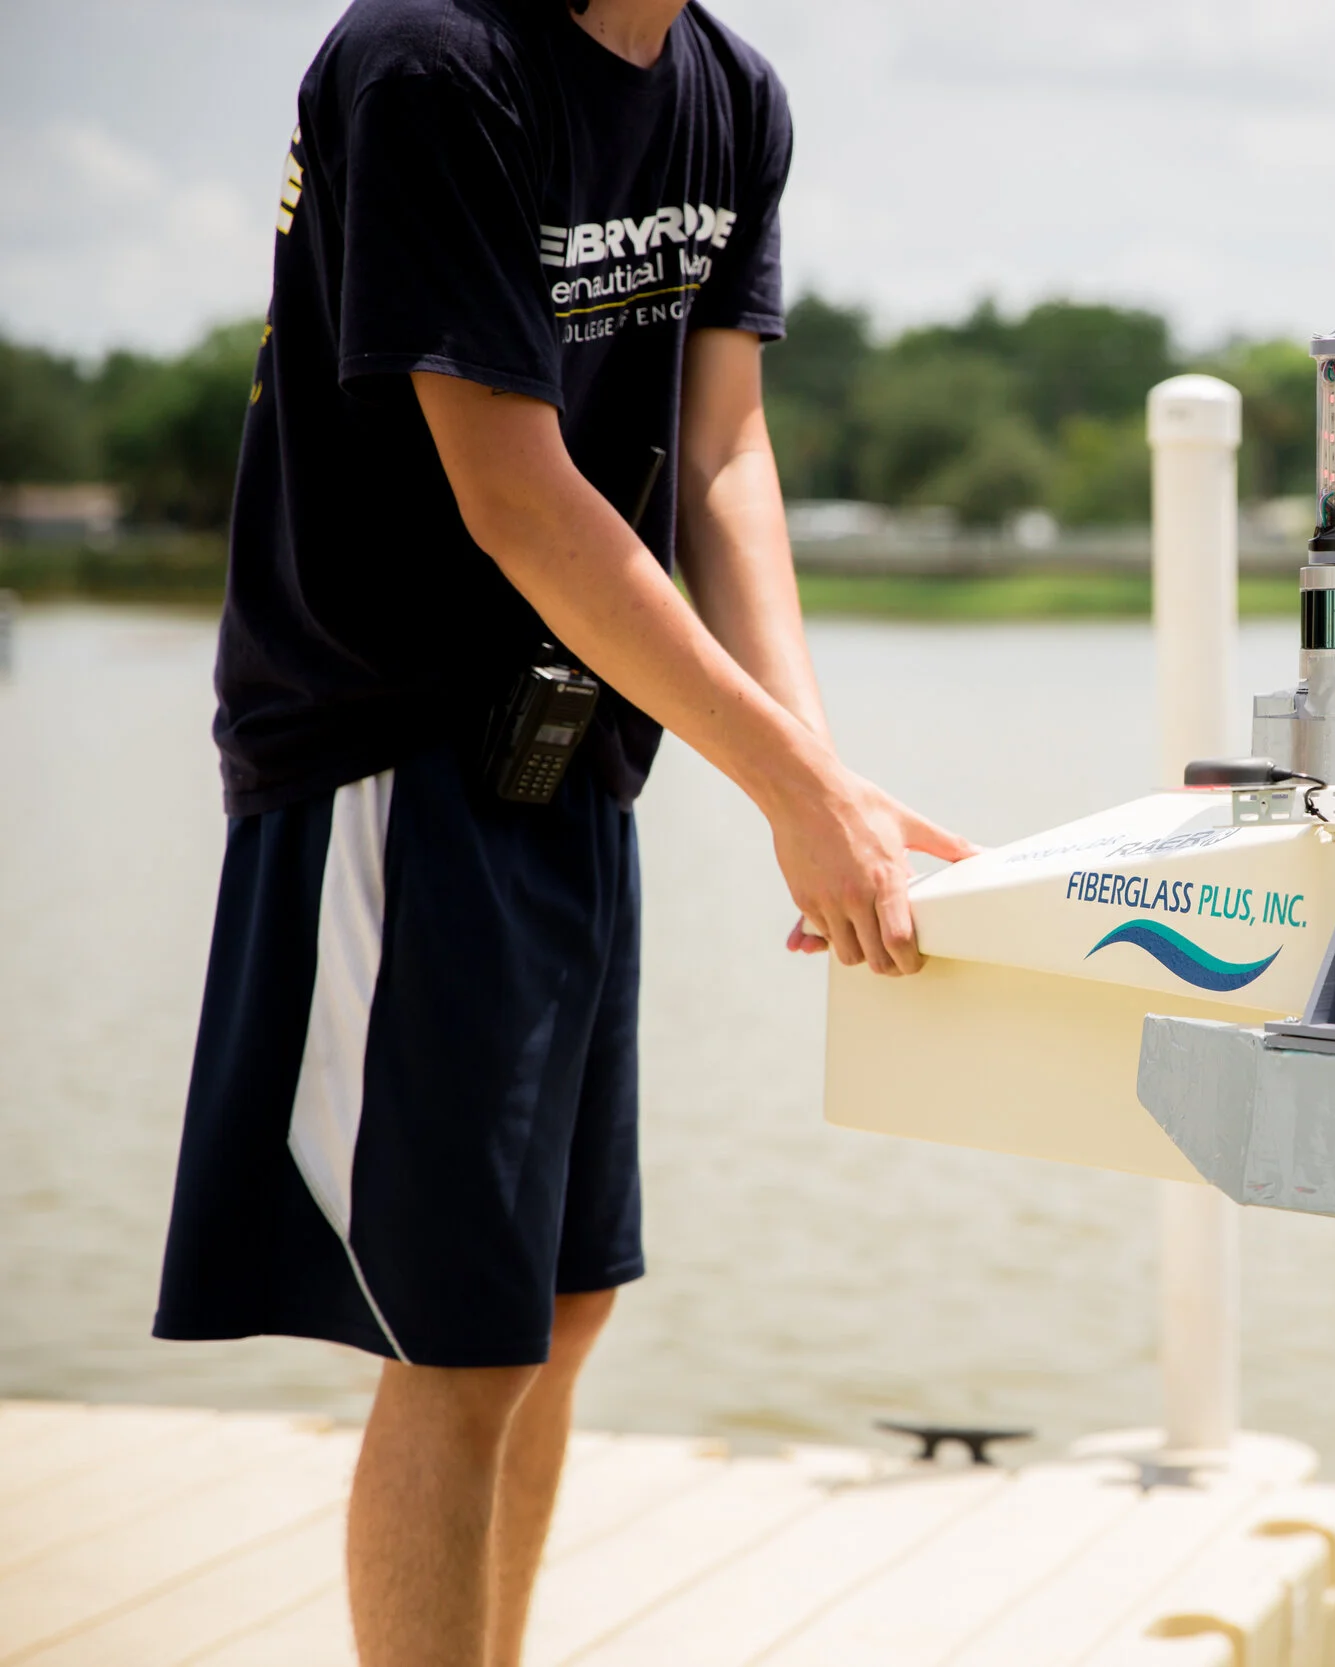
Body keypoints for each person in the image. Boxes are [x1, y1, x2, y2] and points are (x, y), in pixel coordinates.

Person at [150, 0, 966, 1660]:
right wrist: (793, 791)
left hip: (580, 745)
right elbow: (511, 494)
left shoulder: (730, 96)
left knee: (561, 1306)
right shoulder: (431, 62)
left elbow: (722, 452)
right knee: (457, 1344)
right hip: (390, 751)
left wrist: (816, 769)